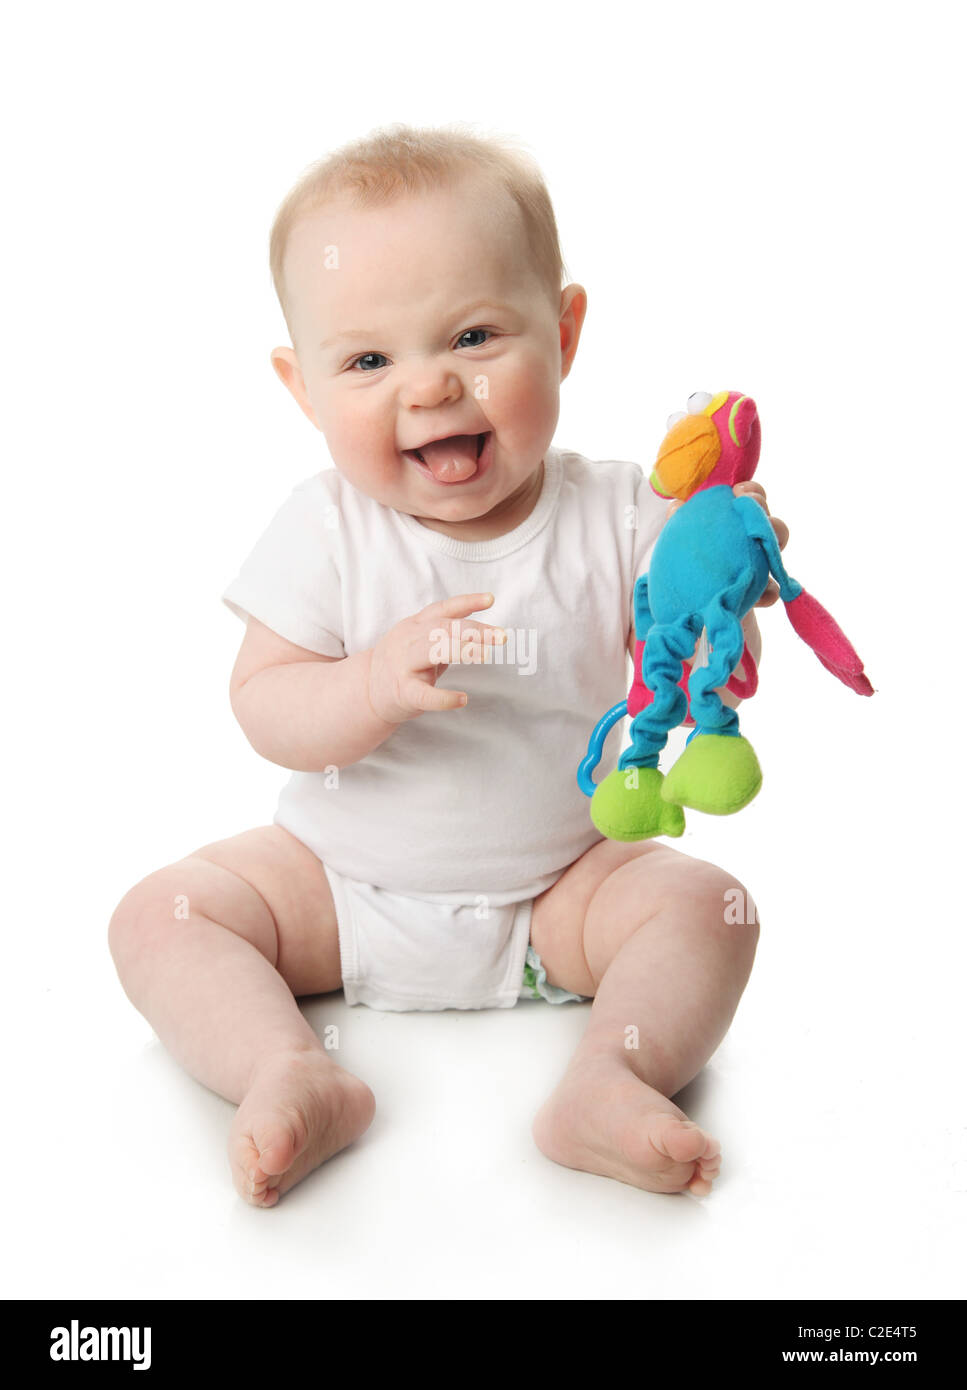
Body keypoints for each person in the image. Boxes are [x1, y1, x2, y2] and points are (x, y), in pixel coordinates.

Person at [108, 123, 788, 1208]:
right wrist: (368, 685)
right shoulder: (326, 527)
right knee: (163, 916)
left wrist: (723, 583)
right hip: (337, 885)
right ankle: (284, 1067)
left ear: (562, 333)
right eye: (369, 360)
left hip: (561, 892)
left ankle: (608, 1076)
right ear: (302, 387)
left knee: (708, 908)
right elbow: (264, 704)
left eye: (474, 335)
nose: (428, 389)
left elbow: (696, 658)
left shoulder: (617, 511)